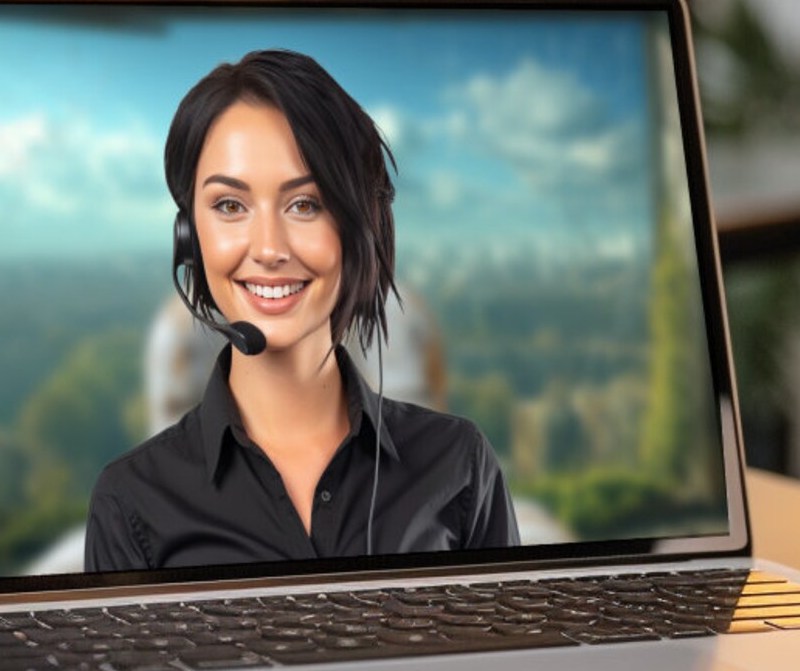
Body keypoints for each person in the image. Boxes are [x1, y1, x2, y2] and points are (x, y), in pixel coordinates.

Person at [84, 48, 518, 573]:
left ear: (364, 229)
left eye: (305, 204)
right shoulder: (131, 501)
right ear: (188, 237)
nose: (269, 248)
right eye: (230, 206)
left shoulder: (458, 463)